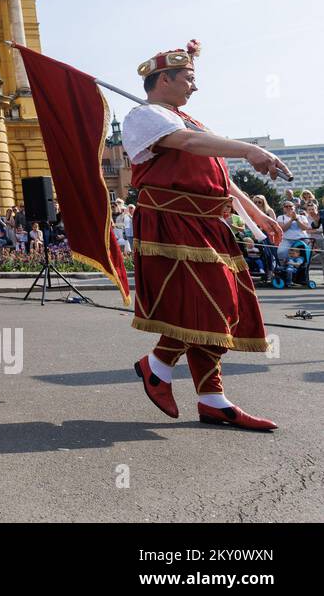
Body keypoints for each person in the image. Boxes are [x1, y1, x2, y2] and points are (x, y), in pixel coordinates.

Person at [123, 40, 288, 432]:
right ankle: (158, 365)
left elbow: (221, 181)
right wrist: (250, 149)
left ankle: (210, 398)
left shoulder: (190, 121)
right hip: (174, 220)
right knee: (214, 304)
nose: (194, 87)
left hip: (209, 224)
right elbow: (187, 145)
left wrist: (256, 216)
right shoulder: (145, 116)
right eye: (189, 78)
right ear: (164, 79)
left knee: (219, 309)